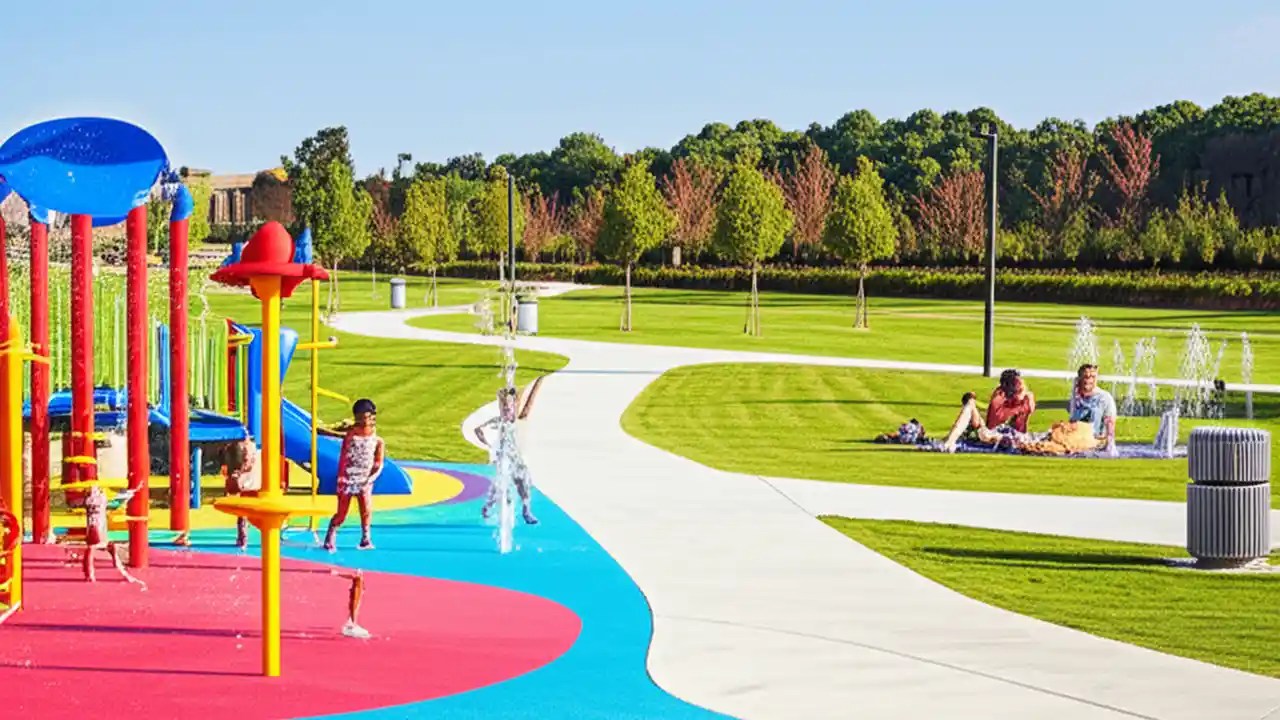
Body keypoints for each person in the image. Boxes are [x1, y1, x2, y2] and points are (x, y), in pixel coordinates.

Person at [475, 377, 544, 525]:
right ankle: (487, 507)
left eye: (510, 407)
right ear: (501, 409)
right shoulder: (498, 422)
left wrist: (537, 383)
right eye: (504, 407)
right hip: (504, 459)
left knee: (524, 484)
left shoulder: (520, 420)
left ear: (514, 407)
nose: (507, 410)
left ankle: (526, 511)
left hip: (517, 460)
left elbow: (529, 403)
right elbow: (478, 430)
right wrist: (488, 444)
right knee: (499, 486)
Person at [323, 399, 385, 551]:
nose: (364, 421)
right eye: (360, 417)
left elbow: (378, 463)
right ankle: (331, 532)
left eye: (367, 417)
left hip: (365, 479)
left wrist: (371, 477)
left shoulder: (377, 440)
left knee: (366, 509)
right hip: (347, 478)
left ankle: (366, 538)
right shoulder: (350, 435)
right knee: (342, 513)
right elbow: (339, 435)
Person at [940, 369, 1036, 453]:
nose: (1023, 387)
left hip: (1012, 436)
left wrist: (1021, 403)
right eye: (1019, 385)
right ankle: (949, 442)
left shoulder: (1027, 398)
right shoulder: (999, 397)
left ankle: (949, 441)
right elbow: (992, 425)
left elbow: (1021, 428)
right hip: (992, 433)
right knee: (971, 405)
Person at [1068, 364, 1118, 455]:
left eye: (1092, 377)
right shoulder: (1077, 397)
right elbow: (1072, 421)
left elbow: (1110, 424)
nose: (1089, 380)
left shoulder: (1104, 398)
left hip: (1095, 445)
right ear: (1080, 379)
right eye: (1086, 377)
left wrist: (1110, 447)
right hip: (1076, 442)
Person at [224, 436, 260, 550]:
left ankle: (243, 538)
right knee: (243, 512)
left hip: (251, 482)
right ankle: (242, 538)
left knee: (246, 512)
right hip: (249, 483)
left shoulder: (249, 449)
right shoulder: (246, 448)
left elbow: (248, 463)